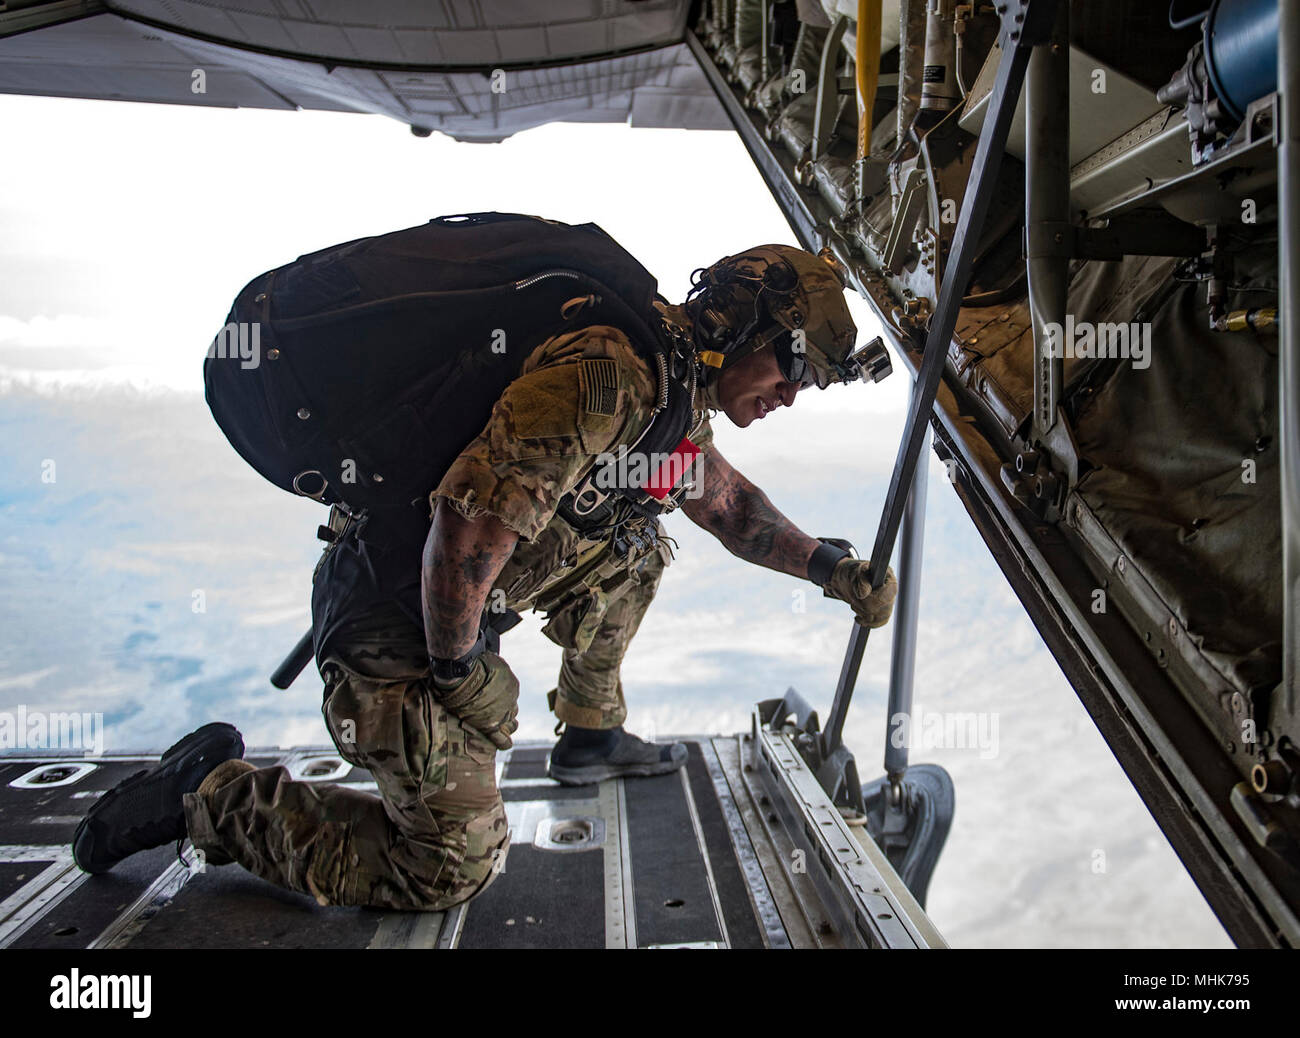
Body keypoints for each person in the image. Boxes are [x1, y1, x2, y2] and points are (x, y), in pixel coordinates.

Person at [72, 237, 898, 911]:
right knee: (449, 869)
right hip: (396, 625)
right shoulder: (611, 376)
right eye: (793, 367)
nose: (791, 394)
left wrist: (832, 568)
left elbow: (729, 508)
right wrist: (459, 674)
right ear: (748, 326)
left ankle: (590, 729)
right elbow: (466, 527)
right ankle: (207, 796)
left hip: (451, 605)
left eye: (810, 384)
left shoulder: (665, 388)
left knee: (635, 541)